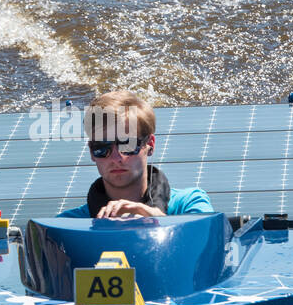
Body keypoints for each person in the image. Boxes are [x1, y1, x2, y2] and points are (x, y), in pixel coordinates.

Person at [59, 90, 214, 220]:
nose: (116, 158)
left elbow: (205, 237)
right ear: (91, 152)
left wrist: (152, 216)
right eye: (101, 148)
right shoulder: (69, 224)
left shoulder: (189, 205)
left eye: (127, 144)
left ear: (150, 145)